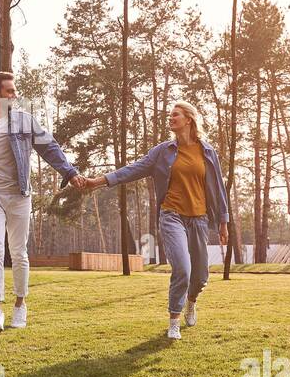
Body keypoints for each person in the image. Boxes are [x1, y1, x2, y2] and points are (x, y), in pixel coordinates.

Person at [0, 71, 86, 334]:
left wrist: (70, 172)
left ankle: (20, 305)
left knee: (19, 252)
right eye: (10, 91)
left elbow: (50, 148)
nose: (15, 95)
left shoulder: (25, 121)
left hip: (20, 195)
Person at [84, 100, 229, 341]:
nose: (171, 118)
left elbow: (219, 189)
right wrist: (97, 181)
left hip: (199, 219)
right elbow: (131, 170)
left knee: (201, 276)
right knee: (182, 268)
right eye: (170, 115)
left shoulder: (207, 151)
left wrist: (223, 222)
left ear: (189, 119)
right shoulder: (163, 151)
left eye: (176, 115)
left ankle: (191, 302)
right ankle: (174, 320)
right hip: (172, 215)